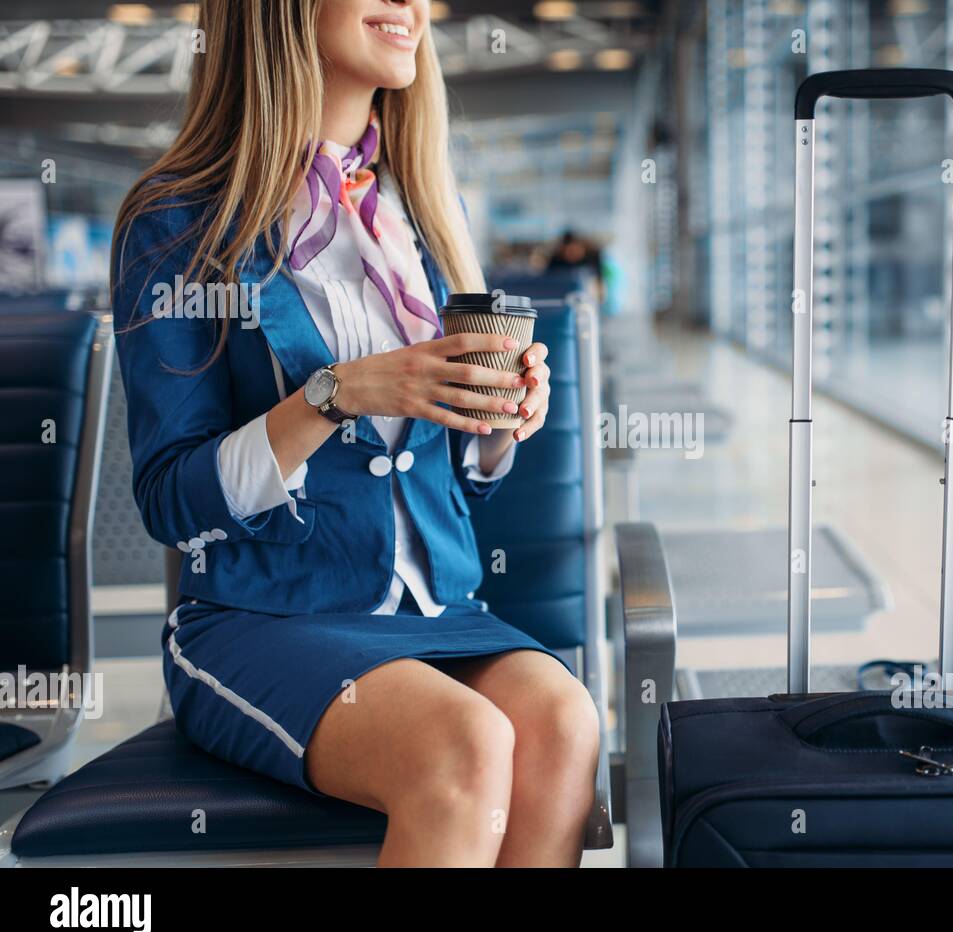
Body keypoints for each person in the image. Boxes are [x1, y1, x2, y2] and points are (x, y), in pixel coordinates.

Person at [110, 0, 598, 867]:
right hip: (262, 610)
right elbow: (171, 503)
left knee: (566, 720)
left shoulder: (422, 210)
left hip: (437, 604)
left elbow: (460, 476)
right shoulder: (178, 223)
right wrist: (335, 394)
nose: (409, 7)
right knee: (466, 744)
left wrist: (501, 421)